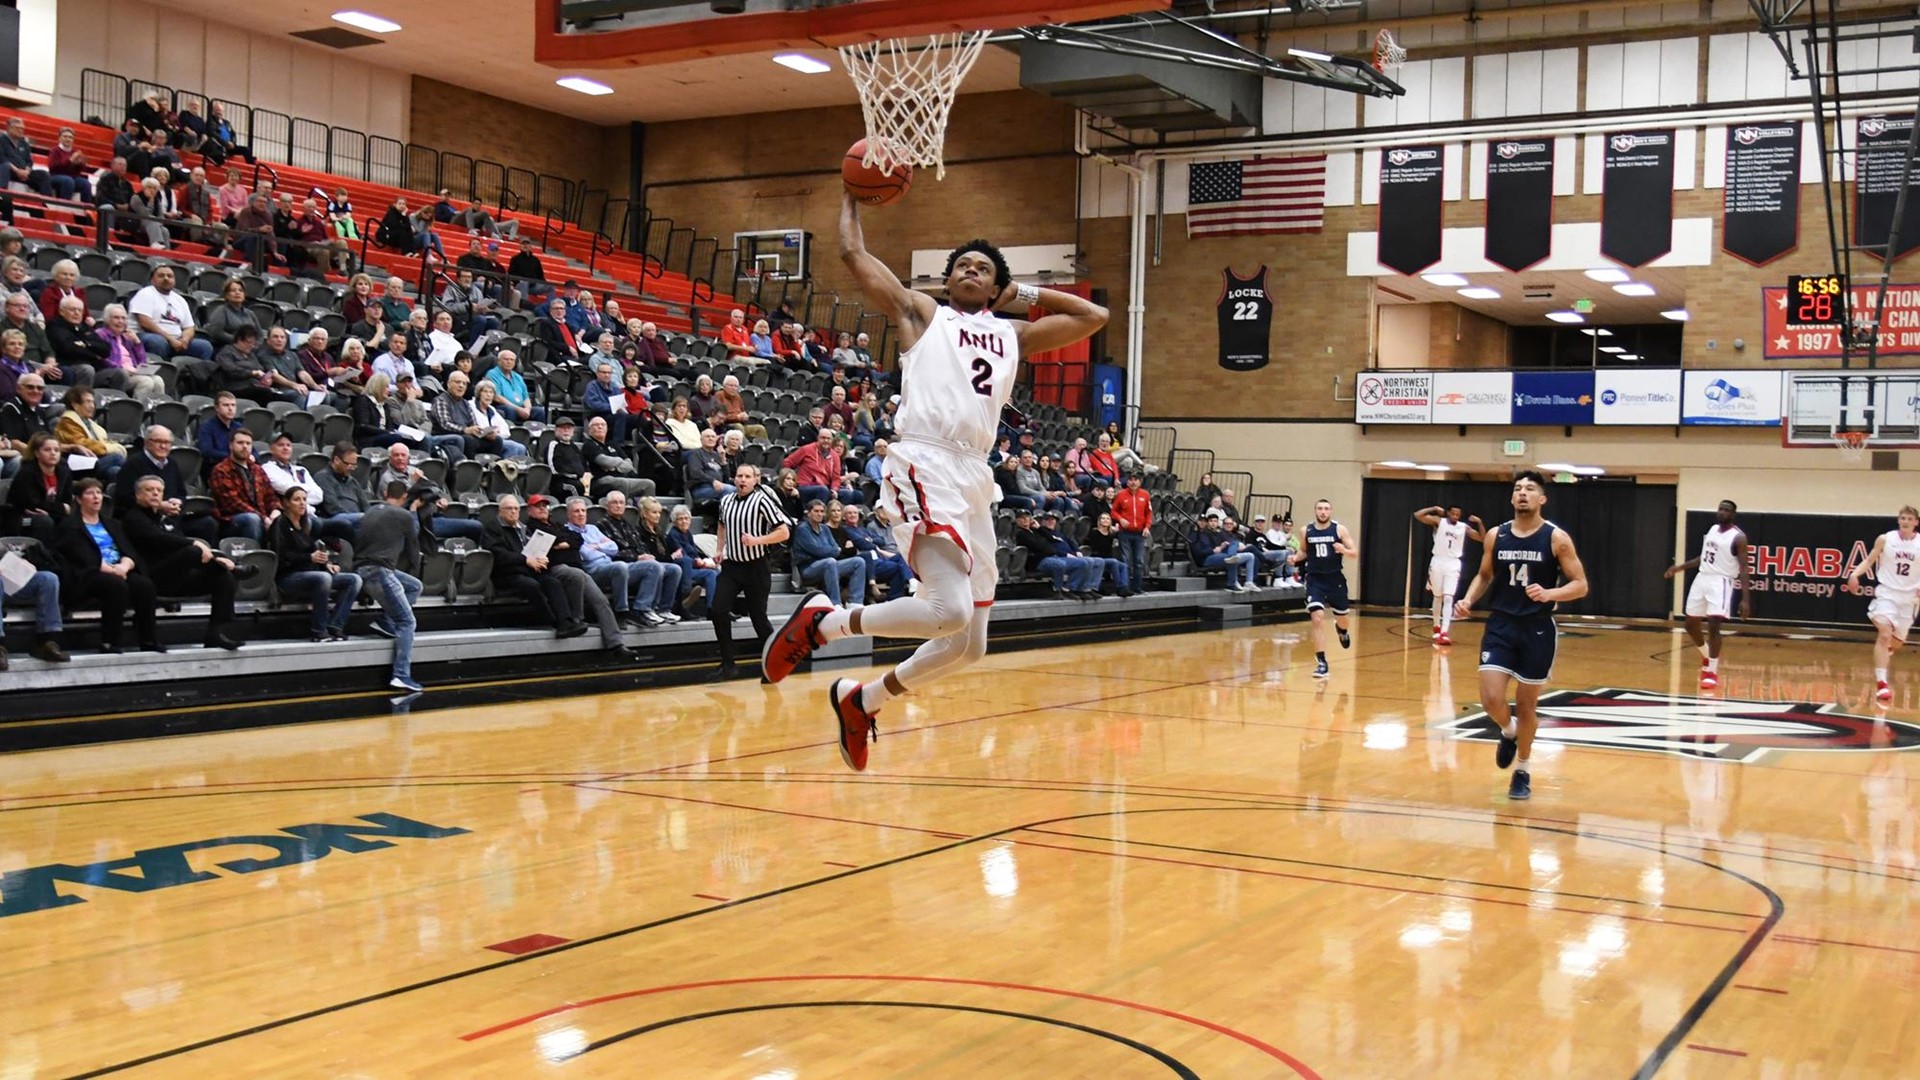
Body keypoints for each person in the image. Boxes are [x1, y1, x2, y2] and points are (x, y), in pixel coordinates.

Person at [761, 199, 1108, 771]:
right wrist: (850, 197)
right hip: (925, 459)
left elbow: (1092, 319)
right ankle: (826, 622)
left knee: (969, 645)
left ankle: (863, 700)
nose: (970, 271)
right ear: (947, 280)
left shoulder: (1012, 334)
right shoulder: (923, 313)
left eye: (983, 269)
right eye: (962, 266)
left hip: (975, 475)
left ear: (997, 287)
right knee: (947, 612)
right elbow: (853, 253)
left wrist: (1026, 295)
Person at [1453, 471, 1590, 801]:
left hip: (1537, 629)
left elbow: (1581, 585)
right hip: (1501, 625)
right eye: (1518, 489)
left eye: (1530, 489)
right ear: (1512, 498)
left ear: (1542, 499)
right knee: (1490, 699)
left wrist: (1550, 593)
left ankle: (1523, 770)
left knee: (1527, 705)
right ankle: (1509, 731)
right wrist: (1469, 599)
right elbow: (1484, 575)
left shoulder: (1556, 538)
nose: (1522, 493)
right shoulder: (1496, 536)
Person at [122, 474, 247, 650]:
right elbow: (158, 539)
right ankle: (232, 567)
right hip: (150, 577)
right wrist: (194, 543)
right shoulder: (133, 517)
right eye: (149, 490)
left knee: (223, 577)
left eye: (159, 490)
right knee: (193, 551)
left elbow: (177, 542)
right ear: (137, 495)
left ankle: (215, 634)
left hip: (176, 577)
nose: (155, 494)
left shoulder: (164, 519)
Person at [54, 478, 162, 654]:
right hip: (87, 575)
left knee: (145, 585)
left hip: (117, 569)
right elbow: (82, 558)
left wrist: (125, 566)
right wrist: (113, 570)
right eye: (90, 493)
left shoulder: (113, 524)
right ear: (79, 499)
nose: (96, 497)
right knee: (116, 586)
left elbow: (129, 551)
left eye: (98, 493)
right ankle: (109, 641)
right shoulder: (70, 526)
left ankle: (148, 640)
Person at [707, 462, 792, 681]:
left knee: (758, 619)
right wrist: (719, 549)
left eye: (747, 476)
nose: (743, 480)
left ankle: (777, 662)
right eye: (739, 476)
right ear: (734, 479)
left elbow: (784, 532)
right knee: (718, 610)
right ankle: (728, 664)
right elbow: (721, 525)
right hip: (732, 566)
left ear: (756, 480)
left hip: (757, 567)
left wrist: (757, 540)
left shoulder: (762, 501)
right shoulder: (725, 501)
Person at [1663, 500, 1751, 690]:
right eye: (1720, 508)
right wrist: (1679, 568)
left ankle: (1711, 671)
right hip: (1703, 577)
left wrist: (1745, 599)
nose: (1722, 512)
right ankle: (1706, 655)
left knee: (1713, 625)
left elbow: (1744, 568)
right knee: (1689, 624)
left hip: (1721, 581)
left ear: (1733, 515)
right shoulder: (1712, 530)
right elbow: (1702, 558)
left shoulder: (1738, 537)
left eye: (1726, 510)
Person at [1843, 505, 1920, 703]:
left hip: (1910, 597)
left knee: (1897, 642)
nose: (1905, 521)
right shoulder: (1886, 539)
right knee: (1884, 633)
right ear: (1898, 520)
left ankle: (1890, 650)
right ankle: (1882, 684)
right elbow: (1869, 561)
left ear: (1916, 523)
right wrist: (1854, 574)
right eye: (1902, 518)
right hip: (1887, 593)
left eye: (1909, 519)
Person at [357, 481, 426, 693]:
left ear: (386, 493)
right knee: (407, 621)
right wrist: (414, 511)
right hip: (379, 571)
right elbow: (414, 548)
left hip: (362, 568)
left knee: (414, 586)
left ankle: (385, 623)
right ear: (405, 497)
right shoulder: (403, 516)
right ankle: (401, 675)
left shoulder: (369, 511)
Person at [268, 485, 361, 642]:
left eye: (304, 499)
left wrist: (327, 564)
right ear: (286, 503)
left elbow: (313, 552)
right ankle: (318, 630)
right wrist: (309, 558)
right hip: (287, 578)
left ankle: (335, 626)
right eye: (297, 499)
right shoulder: (280, 524)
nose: (302, 503)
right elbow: (281, 556)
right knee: (323, 578)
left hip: (311, 574)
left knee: (354, 580)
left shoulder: (305, 525)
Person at [1292, 499, 1355, 679]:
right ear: (1315, 511)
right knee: (1317, 618)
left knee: (1343, 619)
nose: (1323, 512)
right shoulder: (1306, 531)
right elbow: (1304, 552)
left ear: (1331, 511)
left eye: (1326, 509)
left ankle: (1341, 631)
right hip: (1315, 580)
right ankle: (1321, 662)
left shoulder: (1339, 530)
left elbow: (1354, 552)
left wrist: (1343, 549)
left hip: (1335, 579)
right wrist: (1295, 558)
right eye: (1320, 508)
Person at [1414, 505, 1484, 647]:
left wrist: (1479, 522)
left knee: (1448, 596)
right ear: (1448, 513)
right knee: (1438, 596)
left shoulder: (1463, 527)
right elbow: (1418, 515)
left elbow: (1483, 538)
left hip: (1453, 563)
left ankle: (1445, 632)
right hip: (1438, 560)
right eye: (1453, 513)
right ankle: (1436, 626)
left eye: (1458, 514)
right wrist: (1432, 508)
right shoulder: (1439, 522)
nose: (1455, 516)